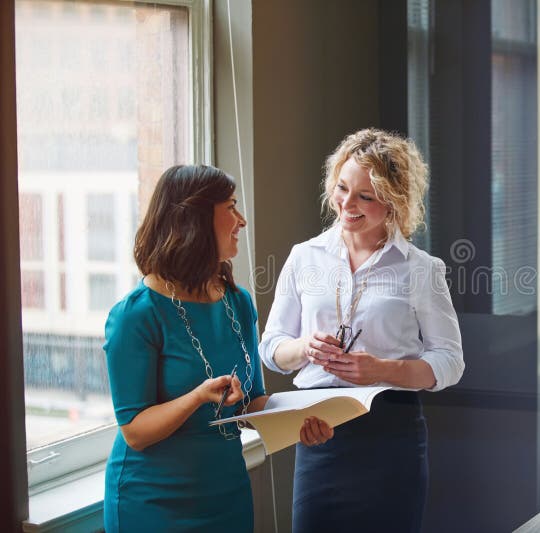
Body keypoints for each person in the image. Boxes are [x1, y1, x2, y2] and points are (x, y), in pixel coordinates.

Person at [260, 128, 465, 533]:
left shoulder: (421, 269)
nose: (347, 205)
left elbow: (450, 362)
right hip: (318, 433)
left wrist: (381, 370)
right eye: (341, 188)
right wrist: (304, 348)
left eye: (365, 197)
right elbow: (271, 348)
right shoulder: (304, 257)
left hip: (393, 439)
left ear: (393, 202)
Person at [103, 164, 282, 532]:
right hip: (153, 503)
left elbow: (251, 402)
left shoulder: (239, 301)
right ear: (195, 220)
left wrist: (304, 416)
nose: (241, 220)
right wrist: (197, 397)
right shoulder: (136, 315)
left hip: (227, 494)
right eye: (231, 207)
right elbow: (134, 431)